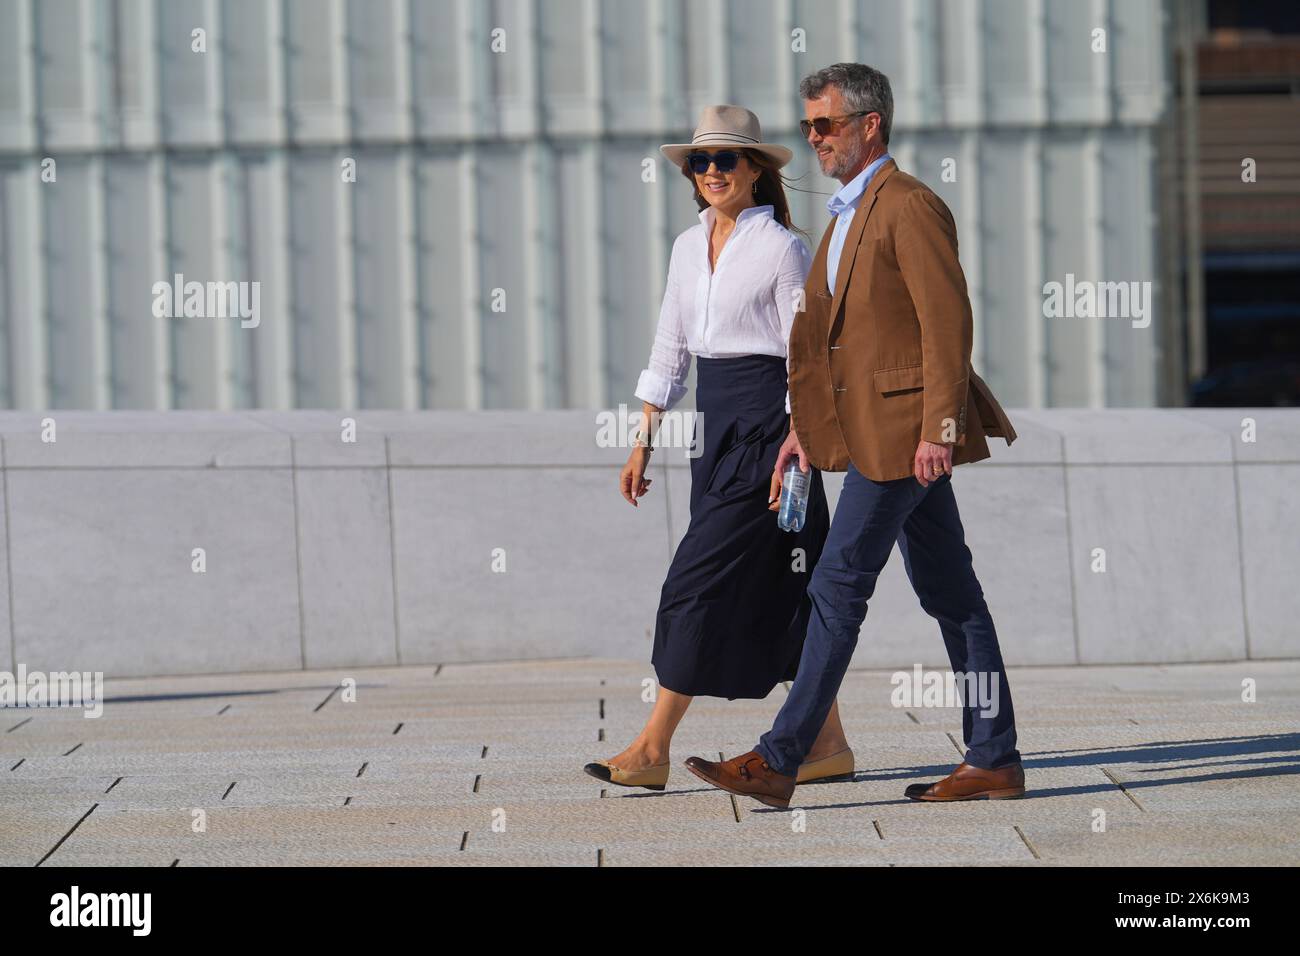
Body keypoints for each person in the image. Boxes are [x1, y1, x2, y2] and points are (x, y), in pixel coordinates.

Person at [685, 65, 1026, 807]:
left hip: (904, 439)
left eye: (825, 124)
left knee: (838, 587)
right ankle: (994, 756)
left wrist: (939, 426)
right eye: (808, 125)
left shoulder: (908, 206)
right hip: (870, 434)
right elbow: (824, 343)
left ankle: (779, 758)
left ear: (870, 124)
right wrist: (803, 431)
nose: (813, 138)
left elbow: (947, 324)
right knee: (952, 592)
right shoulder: (845, 214)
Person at [583, 105, 852, 792]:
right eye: (699, 163)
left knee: (692, 584)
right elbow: (670, 348)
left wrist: (799, 435)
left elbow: (806, 353)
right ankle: (826, 743)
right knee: (779, 582)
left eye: (725, 160)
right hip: (714, 425)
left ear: (755, 169)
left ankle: (652, 746)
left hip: (769, 429)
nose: (710, 172)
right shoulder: (683, 246)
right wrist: (642, 438)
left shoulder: (784, 248)